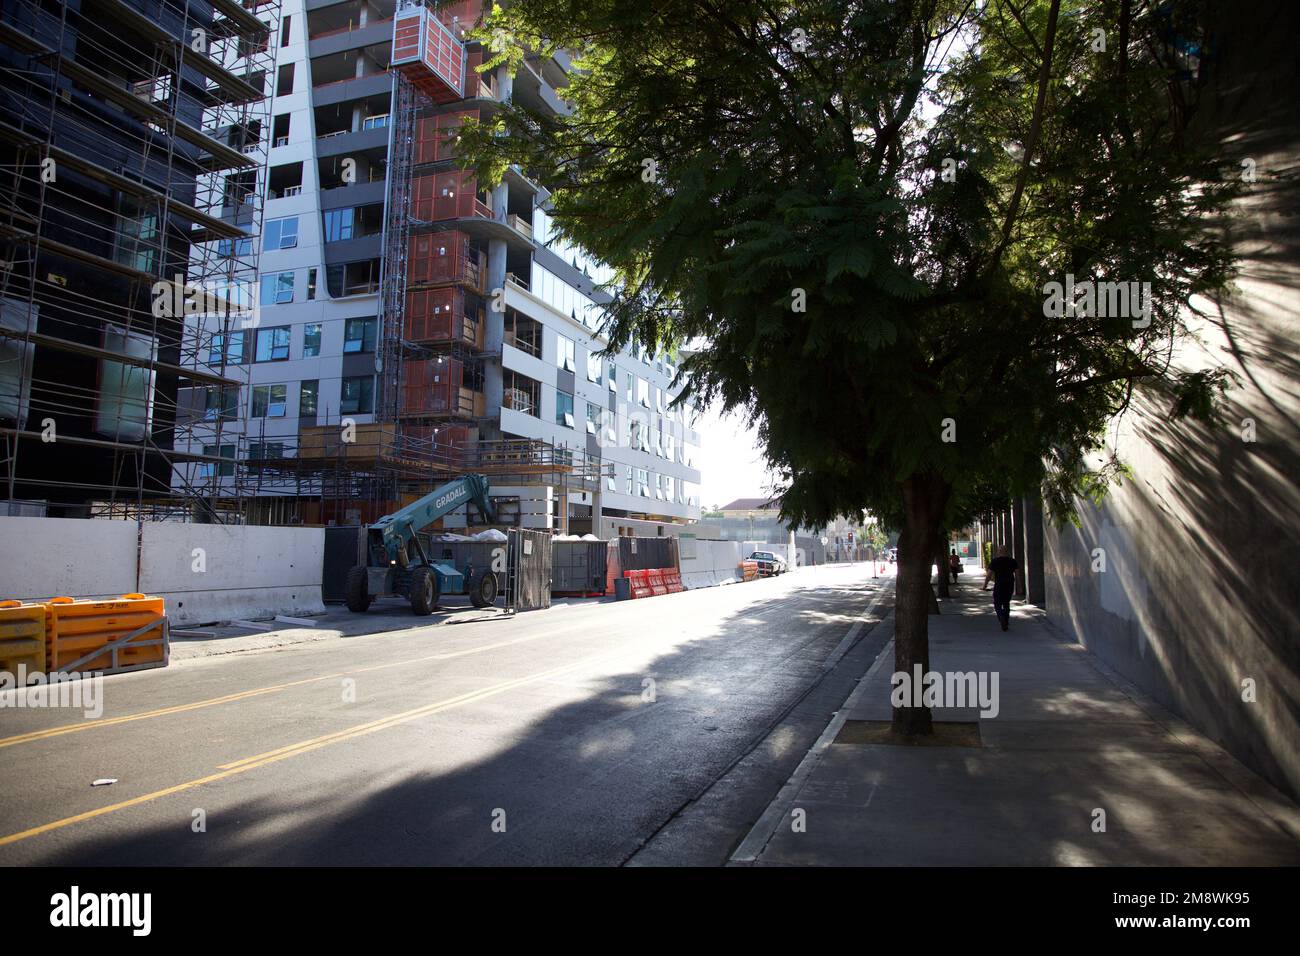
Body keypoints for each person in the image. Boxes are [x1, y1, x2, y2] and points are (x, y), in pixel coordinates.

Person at [984, 546, 1018, 631]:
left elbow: (989, 575)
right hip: (1009, 585)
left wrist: (985, 585)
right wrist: (1020, 586)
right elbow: (1017, 574)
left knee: (997, 603)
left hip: (999, 585)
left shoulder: (995, 561)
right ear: (1007, 552)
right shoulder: (1013, 561)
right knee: (1006, 603)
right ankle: (1005, 620)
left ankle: (1001, 615)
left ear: (999, 552)